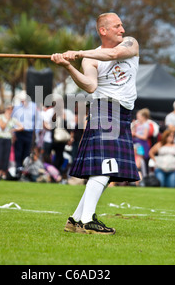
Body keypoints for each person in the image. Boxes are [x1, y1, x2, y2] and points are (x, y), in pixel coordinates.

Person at [51, 12, 140, 235]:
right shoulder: (89, 58)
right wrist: (68, 66)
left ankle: (76, 218)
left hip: (123, 113)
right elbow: (90, 86)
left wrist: (78, 52)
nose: (122, 29)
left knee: (104, 167)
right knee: (106, 166)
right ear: (103, 30)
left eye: (122, 25)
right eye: (117, 26)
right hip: (104, 110)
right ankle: (87, 220)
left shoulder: (130, 43)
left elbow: (114, 54)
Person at [12, 91, 42, 170]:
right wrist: (14, 132)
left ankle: (25, 168)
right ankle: (18, 168)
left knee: (27, 151)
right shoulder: (17, 107)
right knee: (18, 151)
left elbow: (38, 119)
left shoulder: (33, 106)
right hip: (19, 132)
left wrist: (36, 131)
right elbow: (14, 120)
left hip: (29, 132)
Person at [0, 104, 23, 179]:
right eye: (8, 109)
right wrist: (7, 119)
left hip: (8, 139)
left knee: (6, 156)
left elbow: (21, 127)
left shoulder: (13, 119)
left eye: (11, 109)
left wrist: (14, 129)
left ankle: (4, 172)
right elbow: (2, 127)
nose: (10, 110)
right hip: (0, 138)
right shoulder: (0, 117)